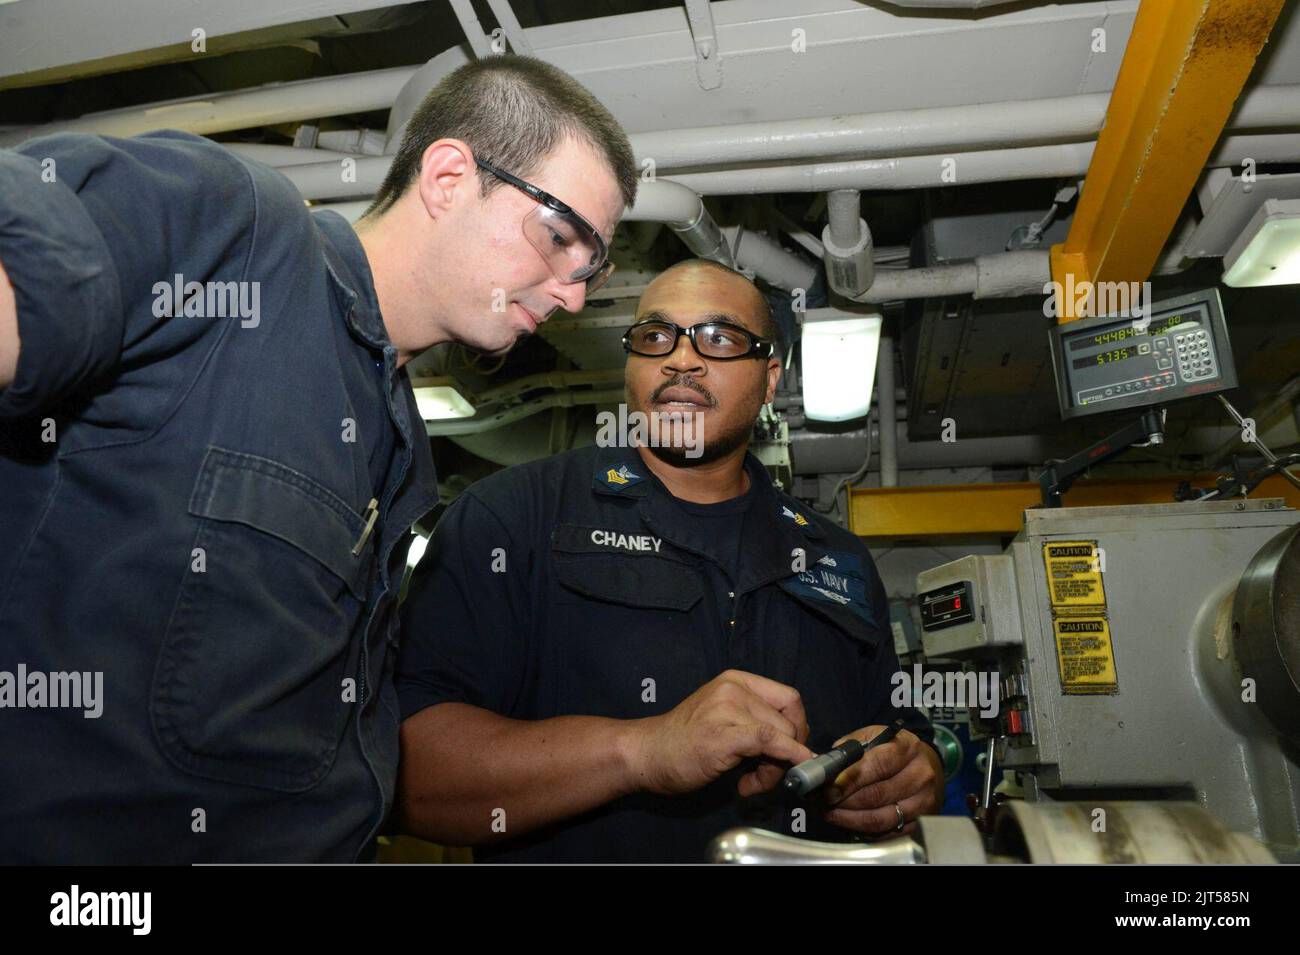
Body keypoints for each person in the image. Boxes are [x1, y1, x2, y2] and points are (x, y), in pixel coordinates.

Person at [0, 54, 635, 863]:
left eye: (593, 266)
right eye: (559, 237)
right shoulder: (239, 231)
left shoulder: (403, 456)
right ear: (447, 178)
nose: (575, 294)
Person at [395, 259, 943, 863]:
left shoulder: (839, 558)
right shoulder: (514, 518)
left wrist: (914, 771)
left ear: (769, 380)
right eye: (655, 337)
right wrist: (645, 751)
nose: (681, 359)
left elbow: (899, 731)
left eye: (721, 337)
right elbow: (415, 778)